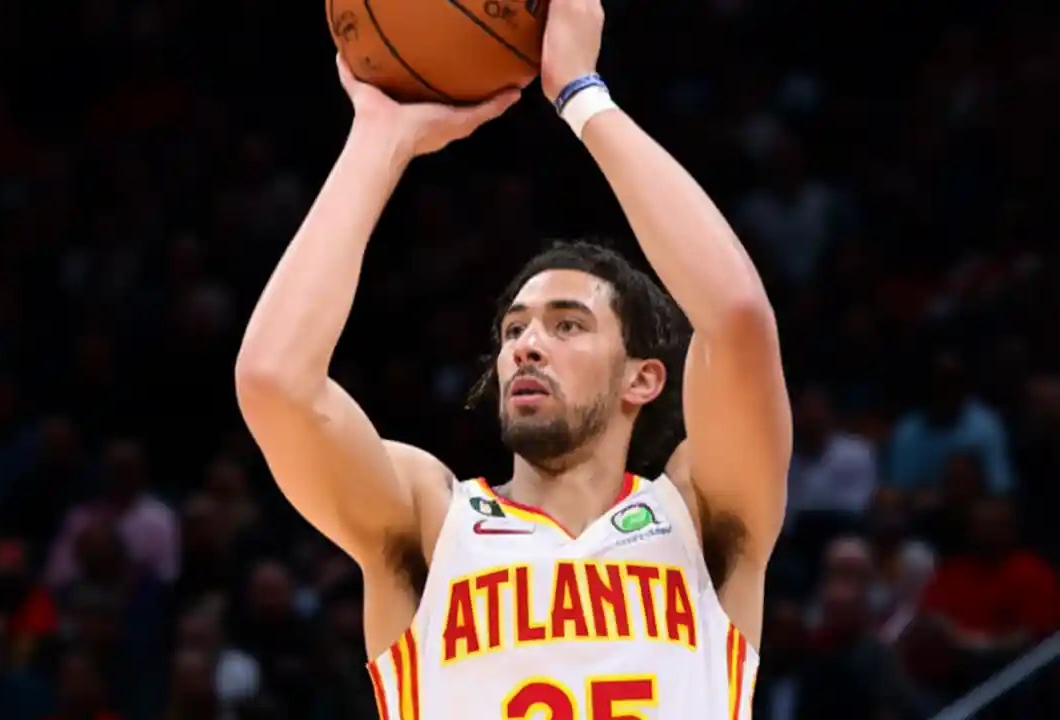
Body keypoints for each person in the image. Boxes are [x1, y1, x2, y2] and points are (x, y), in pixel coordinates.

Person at [234, 0, 791, 716]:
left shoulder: (700, 517)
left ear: (643, 378)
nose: (527, 343)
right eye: (514, 330)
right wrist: (378, 139)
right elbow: (273, 380)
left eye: (568, 326)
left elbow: (738, 319)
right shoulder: (429, 522)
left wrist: (582, 96)